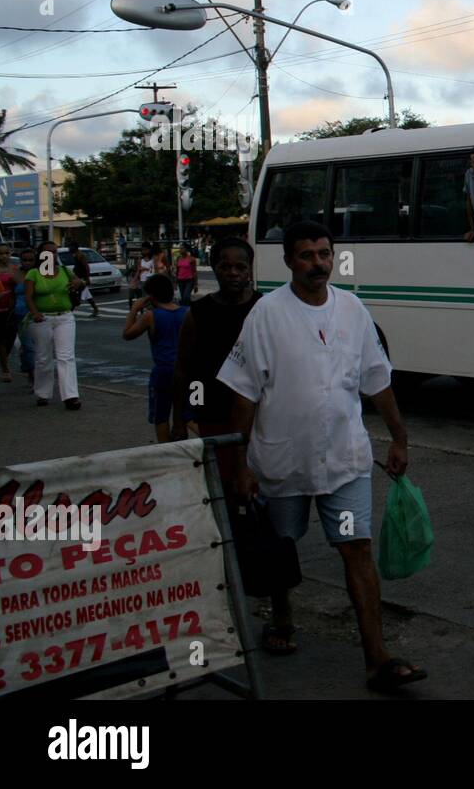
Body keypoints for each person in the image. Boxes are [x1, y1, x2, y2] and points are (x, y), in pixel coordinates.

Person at [218, 220, 425, 692]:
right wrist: (242, 463)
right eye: (308, 255)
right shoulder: (266, 315)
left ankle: (377, 658)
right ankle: (283, 617)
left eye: (325, 254)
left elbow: (378, 379)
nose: (318, 263)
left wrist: (399, 438)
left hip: (345, 459)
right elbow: (243, 395)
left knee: (357, 550)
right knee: (282, 548)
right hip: (281, 462)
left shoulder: (353, 310)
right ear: (289, 260)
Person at [171, 237, 297, 653]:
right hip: (214, 430)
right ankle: (220, 615)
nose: (233, 273)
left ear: (251, 268)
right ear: (215, 268)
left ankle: (282, 615)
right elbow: (186, 370)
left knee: (271, 522)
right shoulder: (199, 313)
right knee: (217, 522)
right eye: (225, 266)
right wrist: (183, 420)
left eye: (240, 266)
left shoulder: (269, 310)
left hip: (262, 428)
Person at [122, 274, 192, 442]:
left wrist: (134, 308)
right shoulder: (187, 312)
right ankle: (211, 446)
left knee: (161, 414)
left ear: (150, 297)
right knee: (190, 413)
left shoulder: (151, 316)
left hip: (164, 370)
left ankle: (166, 452)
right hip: (188, 370)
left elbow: (127, 334)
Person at [24, 240, 84, 410]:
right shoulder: (34, 274)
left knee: (66, 357)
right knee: (44, 358)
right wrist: (35, 313)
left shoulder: (65, 270)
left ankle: (70, 396)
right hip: (42, 319)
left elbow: (81, 283)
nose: (52, 255)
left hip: (65, 317)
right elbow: (28, 297)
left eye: (55, 252)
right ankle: (43, 393)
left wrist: (79, 283)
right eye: (48, 252)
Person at [10, 248, 37, 388]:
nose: (27, 263)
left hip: (39, 314)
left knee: (39, 347)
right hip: (21, 315)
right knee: (28, 347)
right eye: (24, 260)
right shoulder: (15, 274)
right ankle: (32, 376)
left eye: (30, 260)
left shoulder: (40, 273)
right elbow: (11, 295)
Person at [0, 243, 18, 382]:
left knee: (10, 339)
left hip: (12, 310)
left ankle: (3, 359)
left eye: (6, 253)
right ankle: (5, 368)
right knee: (1, 339)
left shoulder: (15, 269)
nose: (4, 256)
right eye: (1, 253)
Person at [67, 242, 99, 317]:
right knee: (85, 295)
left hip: (81, 279)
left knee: (75, 294)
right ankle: (95, 309)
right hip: (78, 278)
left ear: (75, 247)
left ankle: (69, 312)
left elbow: (86, 267)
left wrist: (87, 278)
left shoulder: (80, 255)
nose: (69, 248)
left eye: (70, 246)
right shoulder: (75, 255)